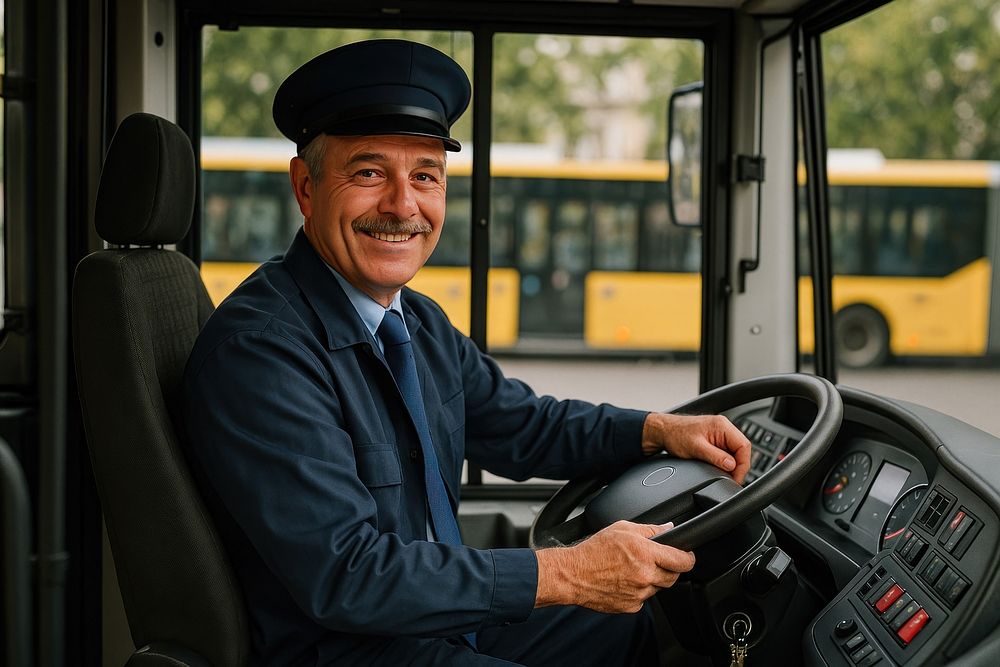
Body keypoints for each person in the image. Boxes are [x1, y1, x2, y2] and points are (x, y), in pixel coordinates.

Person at [181, 39, 751, 666]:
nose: (403, 205)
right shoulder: (263, 353)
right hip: (342, 648)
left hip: (421, 619)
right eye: (369, 173)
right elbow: (349, 576)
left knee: (629, 630)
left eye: (425, 175)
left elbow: (522, 425)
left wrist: (657, 430)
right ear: (306, 187)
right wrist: (566, 573)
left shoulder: (416, 322)